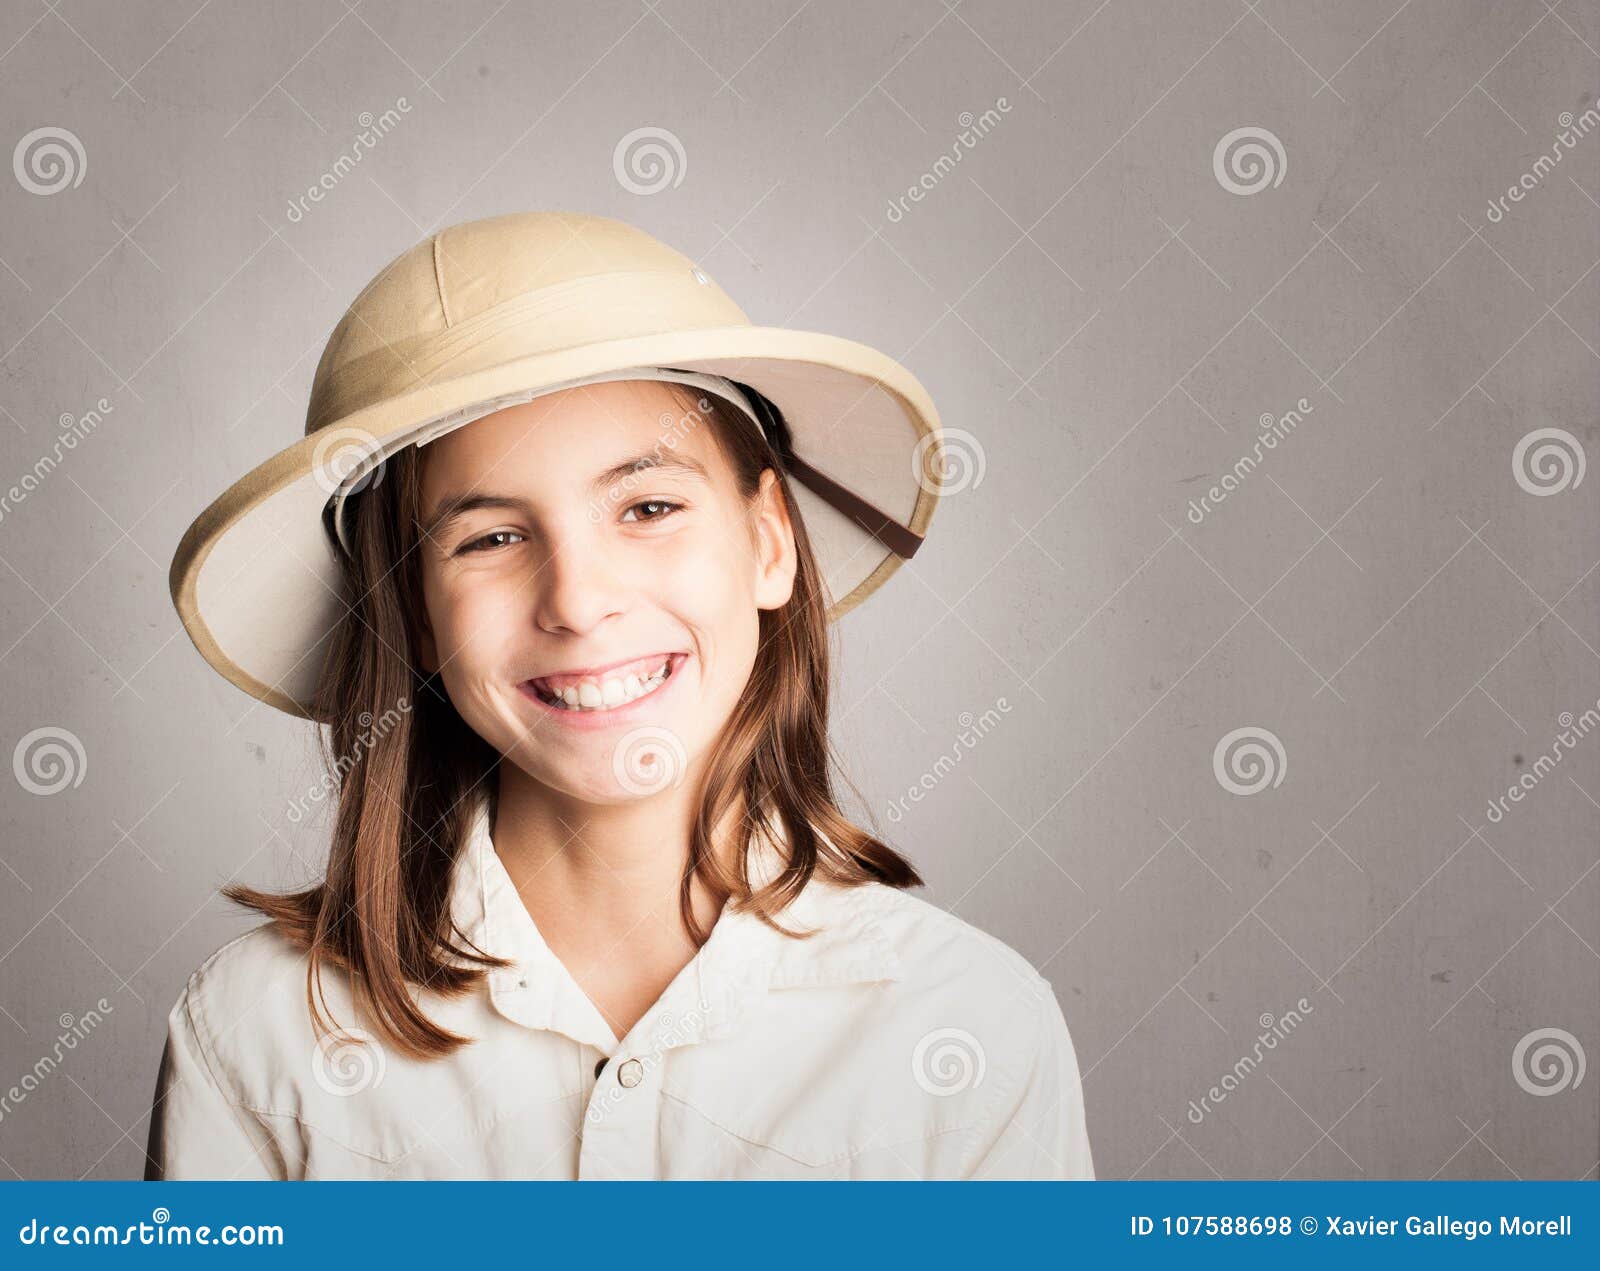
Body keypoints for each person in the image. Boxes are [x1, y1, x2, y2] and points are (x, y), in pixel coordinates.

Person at [144, 210, 1093, 1180]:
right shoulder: (257, 1037)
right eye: (491, 537)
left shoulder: (970, 1029)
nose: (580, 601)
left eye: (647, 507)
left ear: (768, 539)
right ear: (416, 613)